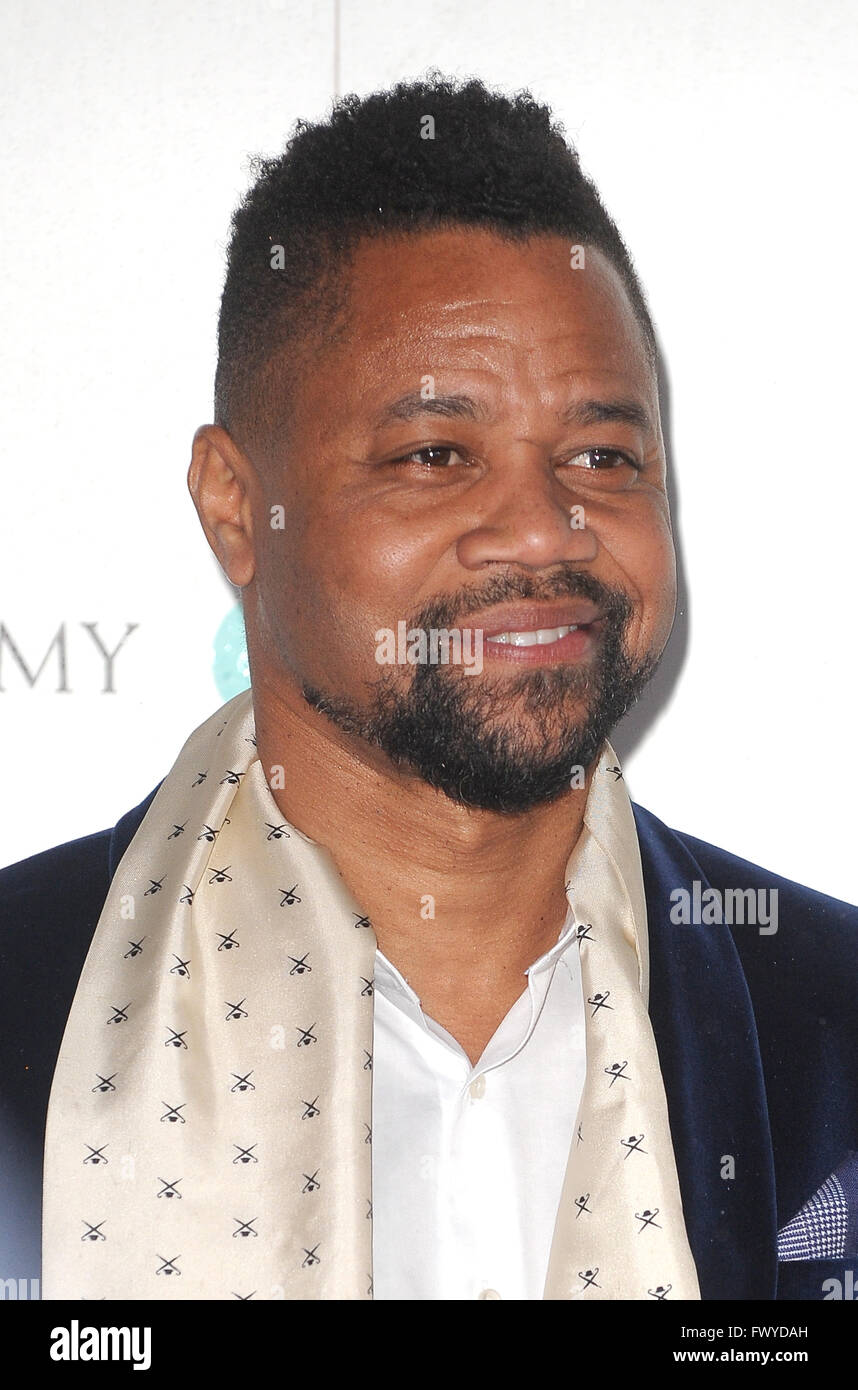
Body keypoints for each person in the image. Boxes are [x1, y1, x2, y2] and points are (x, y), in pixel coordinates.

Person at [1, 74, 856, 1303]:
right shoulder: (24, 1006)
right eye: (435, 455)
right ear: (238, 507)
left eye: (602, 456)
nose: (544, 529)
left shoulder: (828, 1023)